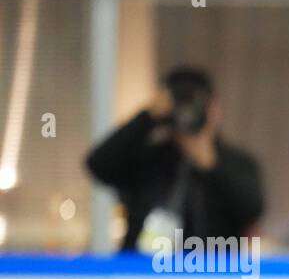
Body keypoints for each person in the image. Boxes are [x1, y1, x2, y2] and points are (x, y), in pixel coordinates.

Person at [85, 66, 264, 254]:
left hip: (212, 274)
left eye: (195, 103)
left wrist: (211, 166)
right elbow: (98, 164)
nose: (185, 111)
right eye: (178, 103)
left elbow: (252, 210)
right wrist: (147, 117)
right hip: (143, 276)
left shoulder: (238, 163)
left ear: (214, 108)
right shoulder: (149, 158)